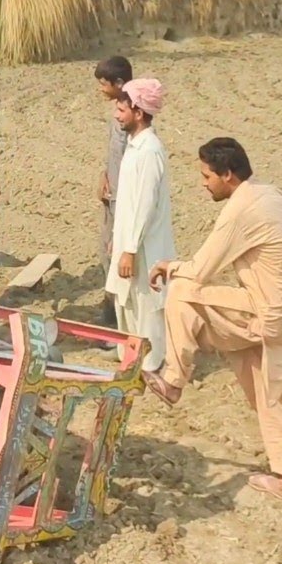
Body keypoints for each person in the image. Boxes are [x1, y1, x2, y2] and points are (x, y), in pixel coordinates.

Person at [147, 137, 282, 504]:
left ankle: (173, 380)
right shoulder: (270, 194)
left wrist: (167, 266)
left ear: (227, 175)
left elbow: (200, 270)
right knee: (272, 392)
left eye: (207, 176)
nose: (203, 183)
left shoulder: (241, 210)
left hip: (260, 311)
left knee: (181, 291)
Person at [105, 78, 176, 375]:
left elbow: (144, 206)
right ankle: (131, 358)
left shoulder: (149, 151)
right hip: (130, 241)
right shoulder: (136, 147)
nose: (117, 115)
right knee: (127, 303)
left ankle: (151, 363)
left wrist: (131, 249)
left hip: (145, 246)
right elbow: (128, 203)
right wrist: (118, 240)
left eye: (122, 110)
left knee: (147, 306)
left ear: (139, 112)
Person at [94, 56, 134, 327]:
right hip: (112, 194)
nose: (100, 89)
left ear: (118, 83)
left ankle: (116, 322)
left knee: (115, 256)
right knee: (105, 254)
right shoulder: (119, 111)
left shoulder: (131, 115)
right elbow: (114, 153)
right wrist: (105, 175)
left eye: (103, 84)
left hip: (124, 199)